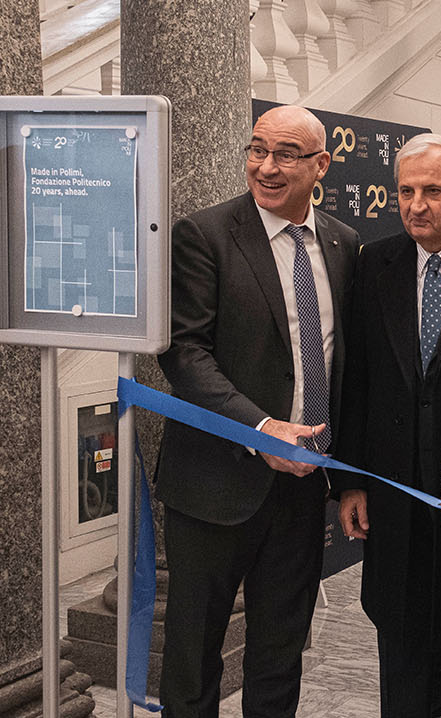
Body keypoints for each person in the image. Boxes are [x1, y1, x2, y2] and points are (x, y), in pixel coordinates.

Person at [156, 104, 359, 718]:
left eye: (286, 154)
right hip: (214, 486)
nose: (266, 166)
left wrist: (342, 476)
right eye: (257, 149)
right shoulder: (205, 235)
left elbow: (349, 364)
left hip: (301, 491)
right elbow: (184, 355)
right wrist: (261, 428)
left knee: (280, 653)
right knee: (194, 656)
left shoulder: (345, 244)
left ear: (321, 165)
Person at [334, 133, 441, 718]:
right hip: (396, 489)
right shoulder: (375, 263)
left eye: (432, 191)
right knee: (404, 648)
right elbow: (355, 378)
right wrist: (353, 482)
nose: (416, 205)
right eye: (405, 192)